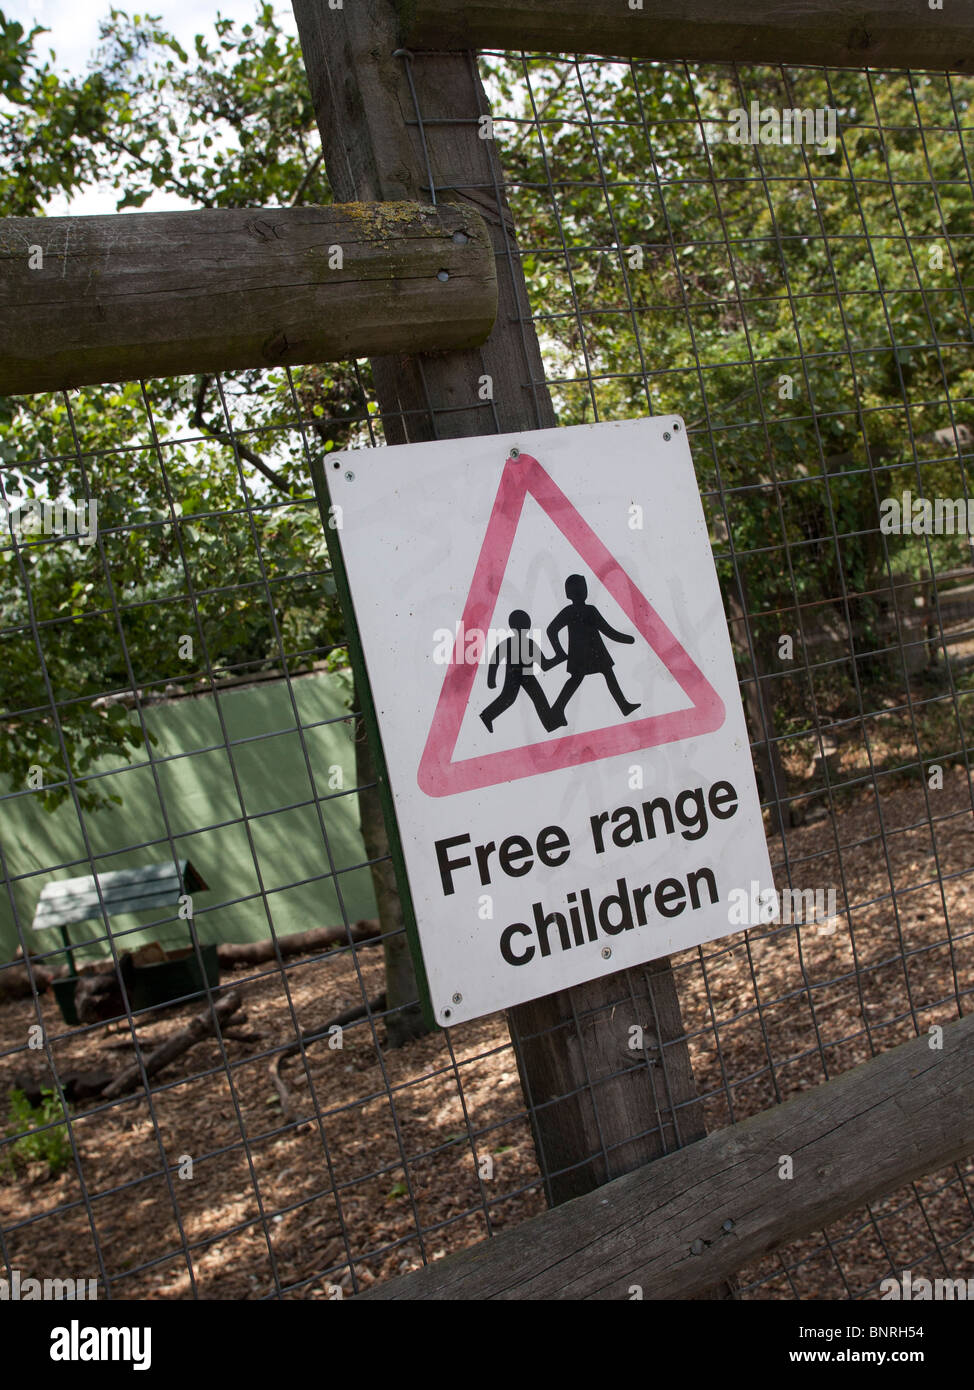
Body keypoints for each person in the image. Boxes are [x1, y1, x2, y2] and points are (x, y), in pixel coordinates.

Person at [547, 574, 640, 726]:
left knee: (585, 678)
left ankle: (623, 705)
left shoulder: (579, 611)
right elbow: (608, 631)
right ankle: (557, 709)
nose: (583, 591)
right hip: (590, 653)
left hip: (587, 653)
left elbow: (608, 631)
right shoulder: (585, 611)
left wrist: (559, 651)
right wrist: (627, 639)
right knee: (591, 677)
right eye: (581, 588)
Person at [481, 610, 561, 733]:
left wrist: (559, 658)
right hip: (515, 675)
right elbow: (495, 659)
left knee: (537, 699)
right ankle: (487, 715)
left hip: (526, 675)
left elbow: (544, 665)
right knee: (510, 699)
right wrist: (491, 679)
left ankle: (549, 723)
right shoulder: (520, 643)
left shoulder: (526, 643)